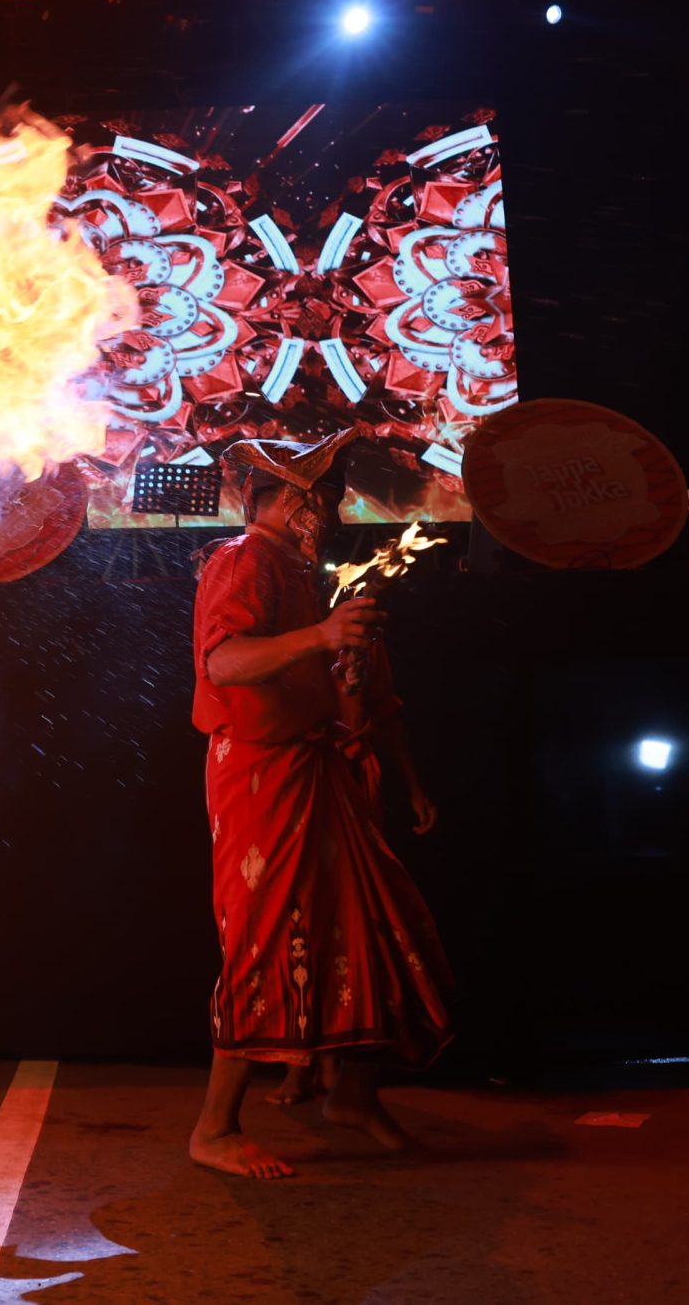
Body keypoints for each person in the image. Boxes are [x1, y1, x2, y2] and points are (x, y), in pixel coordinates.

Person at [186, 429, 452, 1180]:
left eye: (330, 496)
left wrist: (407, 778)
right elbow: (223, 662)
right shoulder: (242, 561)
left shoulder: (304, 577)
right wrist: (322, 634)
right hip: (264, 774)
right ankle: (213, 1127)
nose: (328, 509)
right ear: (278, 499)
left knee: (373, 929)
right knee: (267, 938)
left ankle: (353, 1095)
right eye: (317, 495)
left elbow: (371, 699)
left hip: (319, 768)